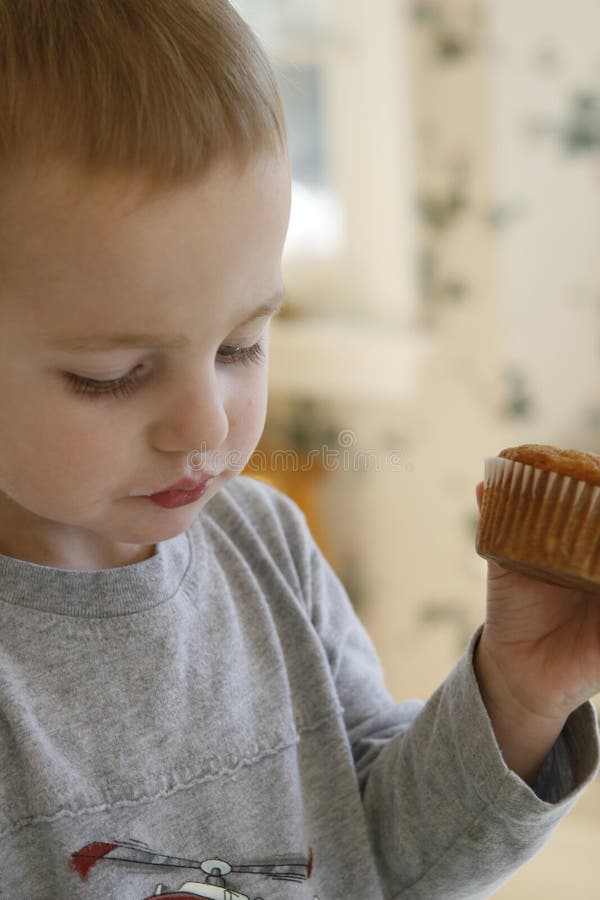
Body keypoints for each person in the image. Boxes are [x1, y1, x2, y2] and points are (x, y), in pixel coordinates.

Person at [0, 2, 598, 898]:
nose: (205, 428)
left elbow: (389, 857)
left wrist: (517, 697)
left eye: (241, 346)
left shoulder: (267, 546)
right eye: (114, 374)